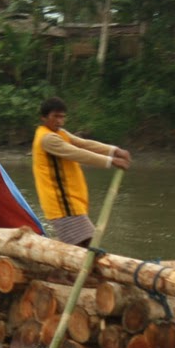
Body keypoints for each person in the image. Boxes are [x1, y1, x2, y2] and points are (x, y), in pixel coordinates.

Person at [31, 97, 130, 247]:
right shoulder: (47, 139)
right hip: (62, 205)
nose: (59, 121)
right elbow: (78, 153)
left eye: (62, 117)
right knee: (89, 246)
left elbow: (84, 144)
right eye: (55, 117)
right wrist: (111, 161)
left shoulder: (60, 133)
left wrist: (115, 150)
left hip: (70, 203)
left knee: (82, 247)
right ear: (44, 118)